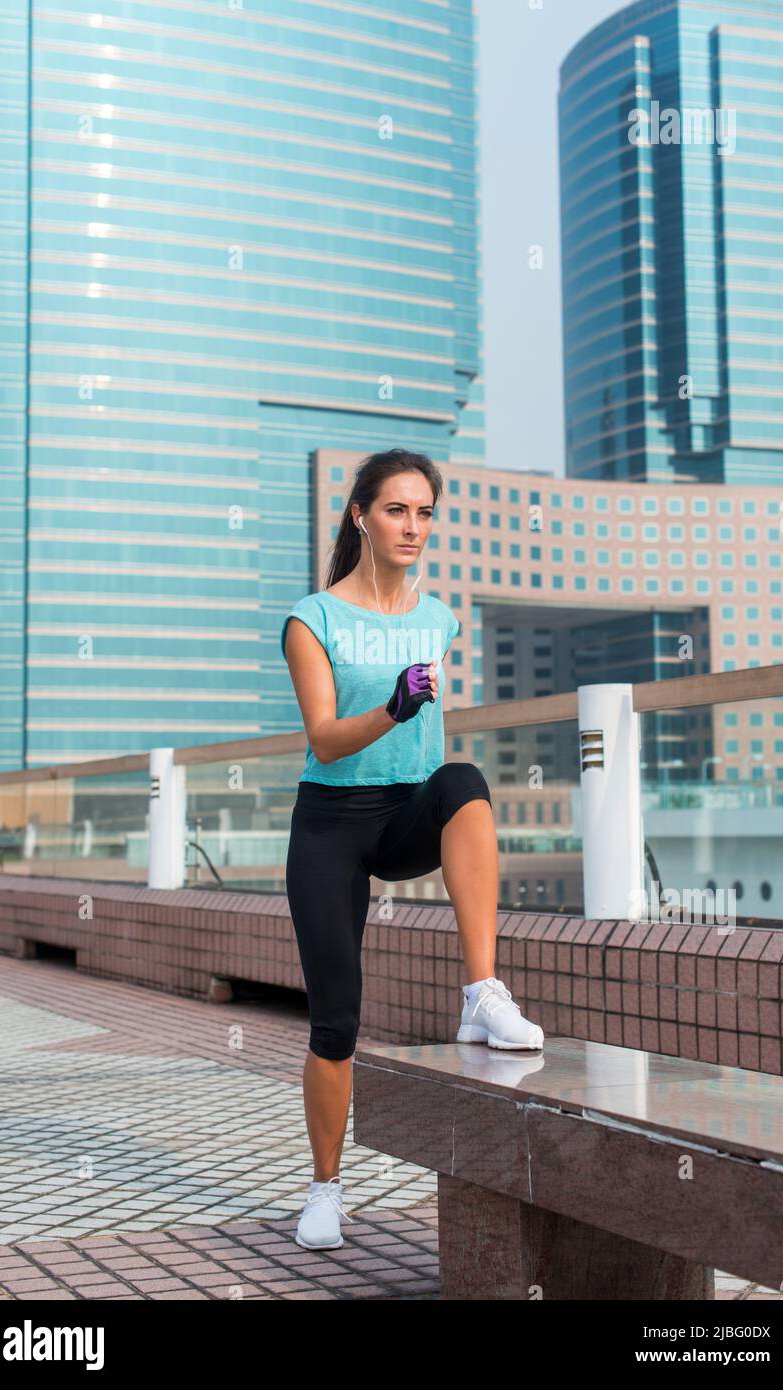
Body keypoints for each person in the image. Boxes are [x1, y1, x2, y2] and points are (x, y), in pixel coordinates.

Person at [280, 447, 544, 1250]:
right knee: (336, 1023)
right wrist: (394, 707)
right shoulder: (312, 619)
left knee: (463, 779)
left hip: (404, 813)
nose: (412, 526)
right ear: (360, 514)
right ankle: (326, 1191)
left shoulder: (438, 620)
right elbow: (325, 741)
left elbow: (433, 741)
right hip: (330, 823)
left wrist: (413, 729)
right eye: (397, 509)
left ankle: (481, 995)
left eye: (424, 511)